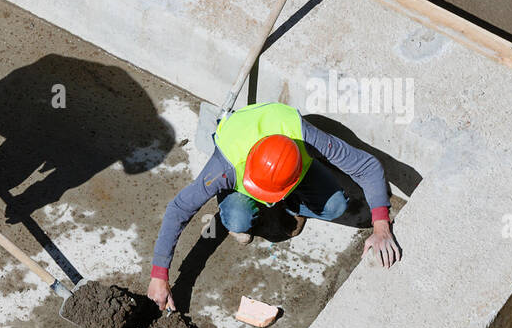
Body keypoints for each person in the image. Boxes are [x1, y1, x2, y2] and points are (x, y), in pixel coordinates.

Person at [148, 101, 401, 312]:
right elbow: (179, 208)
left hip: (290, 168)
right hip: (241, 167)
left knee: (335, 206)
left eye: (273, 196)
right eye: (266, 195)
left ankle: (291, 204)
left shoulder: (304, 135)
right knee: (238, 220)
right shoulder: (225, 167)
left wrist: (381, 227)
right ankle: (241, 205)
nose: (269, 200)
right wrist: (159, 275)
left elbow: (367, 166)